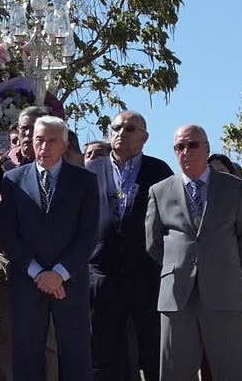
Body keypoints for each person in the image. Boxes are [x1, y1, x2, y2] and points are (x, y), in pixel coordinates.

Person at [146, 125, 242, 380]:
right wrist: (179, 267)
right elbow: (153, 243)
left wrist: (225, 267)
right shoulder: (159, 191)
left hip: (224, 291)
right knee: (175, 371)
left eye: (193, 145)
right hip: (177, 295)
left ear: (207, 148)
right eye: (179, 147)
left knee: (234, 368)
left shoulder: (234, 188)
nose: (186, 151)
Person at [0, 115, 98, 381]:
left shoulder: (84, 181)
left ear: (64, 146)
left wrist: (59, 273)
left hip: (69, 284)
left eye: (52, 141)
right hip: (28, 282)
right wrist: (37, 272)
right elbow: (8, 233)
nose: (44, 147)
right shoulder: (12, 179)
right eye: (39, 140)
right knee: (27, 357)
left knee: (76, 357)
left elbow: (87, 235)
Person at [85, 111, 173, 381]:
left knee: (153, 350)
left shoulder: (159, 171)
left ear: (144, 138)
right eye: (117, 127)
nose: (122, 132)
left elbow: (172, 221)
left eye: (130, 129)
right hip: (102, 274)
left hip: (146, 275)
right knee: (104, 352)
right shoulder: (91, 170)